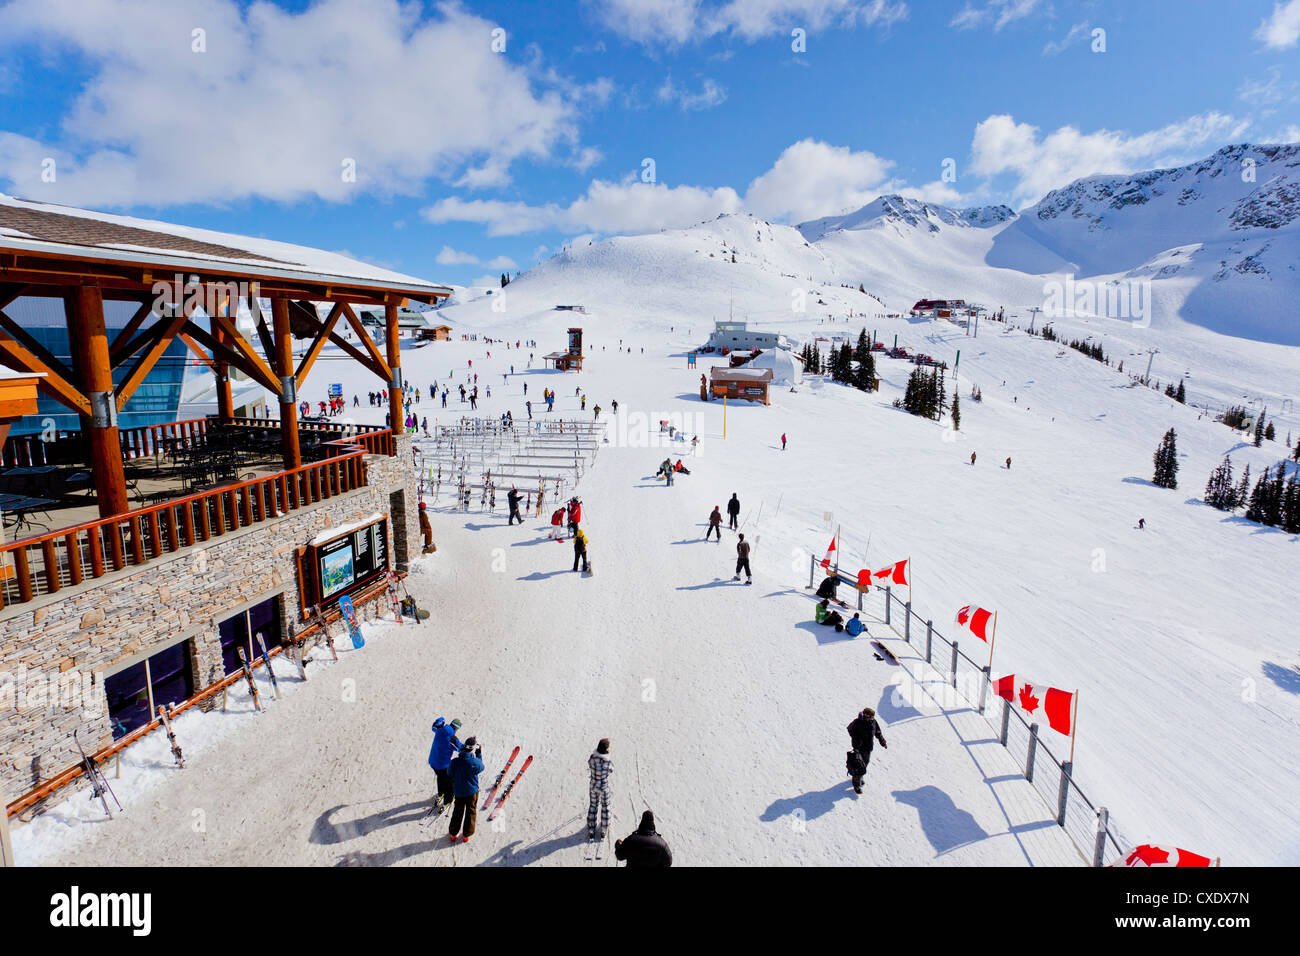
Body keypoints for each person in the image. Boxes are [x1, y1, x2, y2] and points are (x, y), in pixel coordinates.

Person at [448, 737, 484, 842]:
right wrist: (479, 754)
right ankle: (466, 834)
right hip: (472, 791)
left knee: (457, 812)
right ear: (473, 749)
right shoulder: (475, 762)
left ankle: (453, 833)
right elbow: (481, 767)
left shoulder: (455, 762)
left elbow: (449, 773)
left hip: (459, 791)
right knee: (470, 811)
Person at [846, 707, 887, 793]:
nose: (872, 718)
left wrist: (883, 742)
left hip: (868, 748)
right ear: (866, 716)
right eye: (871, 717)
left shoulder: (873, 722)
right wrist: (856, 738)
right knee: (858, 765)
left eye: (873, 717)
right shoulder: (857, 722)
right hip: (859, 748)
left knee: (865, 764)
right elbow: (849, 729)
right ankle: (856, 784)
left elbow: (878, 733)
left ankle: (859, 776)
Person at [427, 717, 463, 813]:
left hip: (432, 761)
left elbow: (434, 726)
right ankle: (447, 802)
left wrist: (441, 719)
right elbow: (462, 749)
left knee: (440, 777)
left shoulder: (440, 729)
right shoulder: (452, 739)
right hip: (442, 765)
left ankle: (440, 794)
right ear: (456, 729)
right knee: (450, 784)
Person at [587, 738, 613, 841]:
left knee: (593, 805)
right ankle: (603, 829)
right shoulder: (607, 762)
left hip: (593, 785)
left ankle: (591, 828)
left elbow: (589, 763)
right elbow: (611, 769)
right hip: (604, 786)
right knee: (605, 806)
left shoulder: (592, 758)